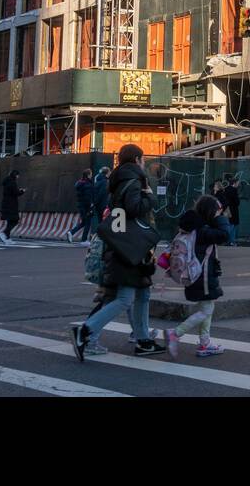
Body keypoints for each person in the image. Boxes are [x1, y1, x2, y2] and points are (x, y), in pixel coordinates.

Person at [71, 143, 166, 361]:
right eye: (142, 159)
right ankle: (85, 331)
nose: (143, 163)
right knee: (125, 298)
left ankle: (143, 340)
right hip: (131, 246)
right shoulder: (134, 180)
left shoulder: (117, 180)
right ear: (137, 160)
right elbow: (134, 208)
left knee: (142, 292)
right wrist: (150, 197)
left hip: (124, 243)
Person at [165, 194, 229, 359]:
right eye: (216, 211)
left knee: (207, 307)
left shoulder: (192, 227)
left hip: (195, 274)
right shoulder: (203, 231)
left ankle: (205, 343)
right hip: (204, 275)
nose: (218, 213)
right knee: (207, 309)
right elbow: (224, 234)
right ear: (210, 211)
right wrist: (220, 217)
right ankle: (175, 333)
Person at [66, 169, 95, 245]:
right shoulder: (88, 184)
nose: (91, 175)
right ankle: (84, 240)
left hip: (81, 205)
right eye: (91, 174)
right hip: (87, 206)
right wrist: (90, 205)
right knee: (88, 222)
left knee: (84, 222)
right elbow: (88, 196)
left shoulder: (80, 183)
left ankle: (71, 232)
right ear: (88, 175)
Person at [0, 169, 25, 244]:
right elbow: (15, 193)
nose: (18, 177)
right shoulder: (12, 183)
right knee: (15, 220)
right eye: (17, 175)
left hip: (6, 203)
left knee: (10, 221)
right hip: (11, 204)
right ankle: (4, 233)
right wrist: (22, 191)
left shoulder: (6, 182)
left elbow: (11, 192)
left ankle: (7, 238)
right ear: (15, 175)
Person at [223, 175, 241, 245]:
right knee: (233, 225)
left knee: (229, 224)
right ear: (234, 183)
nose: (238, 184)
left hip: (227, 209)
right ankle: (231, 241)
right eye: (237, 183)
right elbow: (237, 202)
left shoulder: (226, 189)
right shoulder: (234, 190)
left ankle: (228, 240)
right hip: (233, 210)